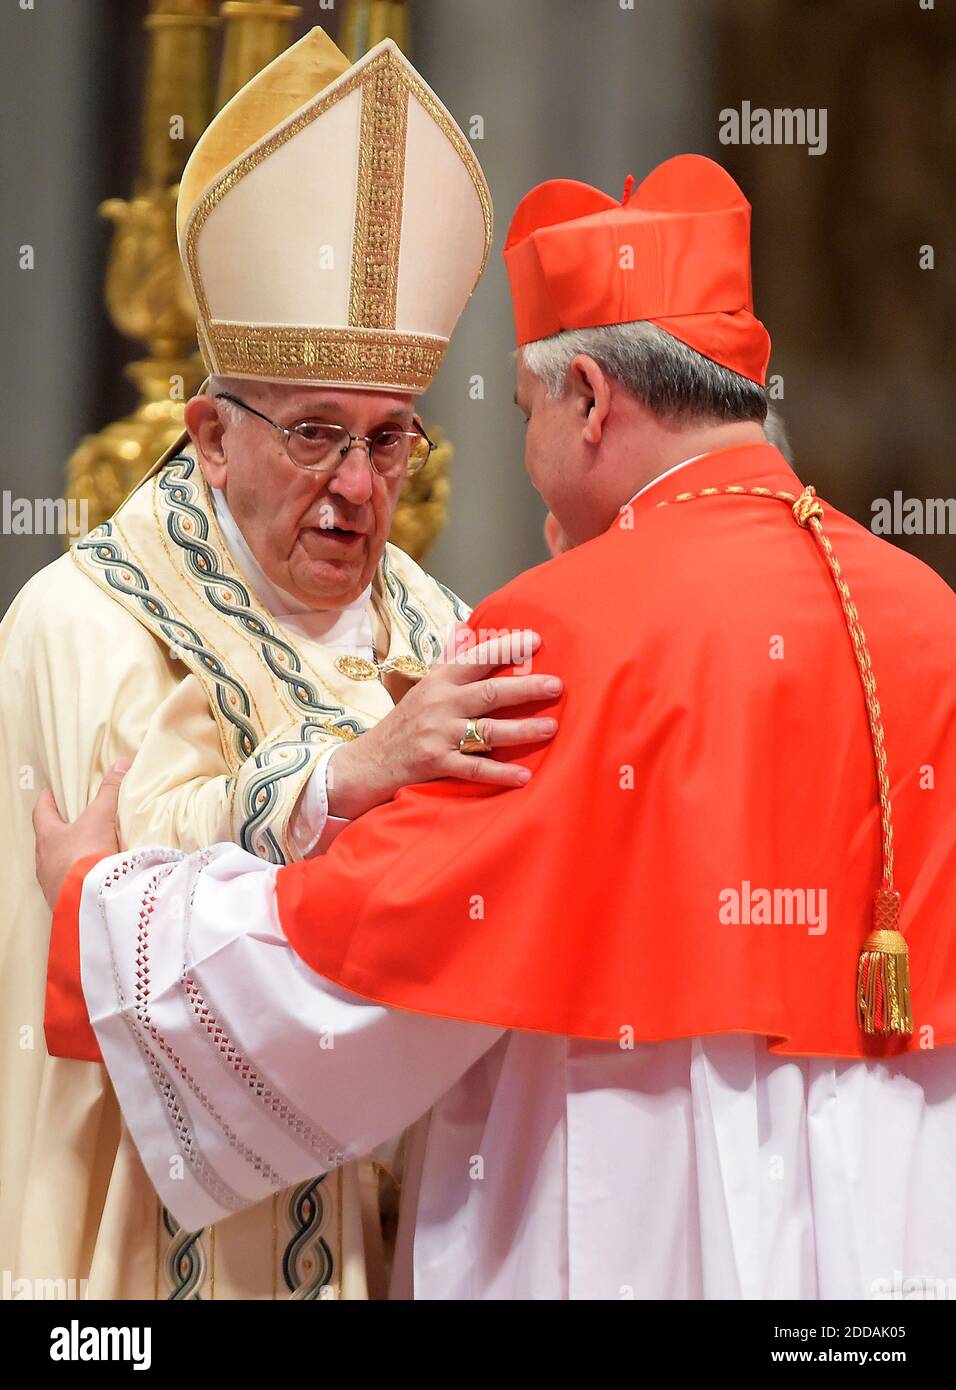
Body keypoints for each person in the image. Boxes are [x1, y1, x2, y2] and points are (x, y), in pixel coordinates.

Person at [37, 155, 956, 1300]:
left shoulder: (566, 627)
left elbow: (375, 953)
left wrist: (109, 912)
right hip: (896, 1226)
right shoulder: (927, 615)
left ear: (588, 400)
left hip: (639, 1213)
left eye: (525, 417)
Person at [0, 29, 561, 1301]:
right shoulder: (83, 617)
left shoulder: (437, 626)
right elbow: (111, 893)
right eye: (314, 434)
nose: (357, 490)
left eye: (389, 439)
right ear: (209, 432)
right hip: (142, 1241)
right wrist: (345, 777)